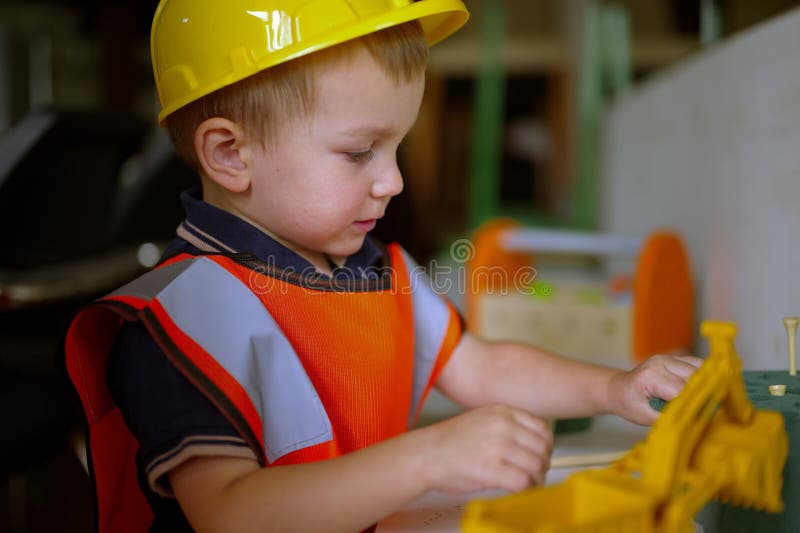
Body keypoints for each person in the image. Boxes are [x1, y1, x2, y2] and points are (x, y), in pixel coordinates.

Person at [64, 1, 702, 532]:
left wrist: (614, 389)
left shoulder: (372, 271)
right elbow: (231, 514)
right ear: (231, 154)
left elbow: (482, 366)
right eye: (359, 152)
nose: (392, 181)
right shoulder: (182, 321)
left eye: (396, 147)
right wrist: (426, 458)